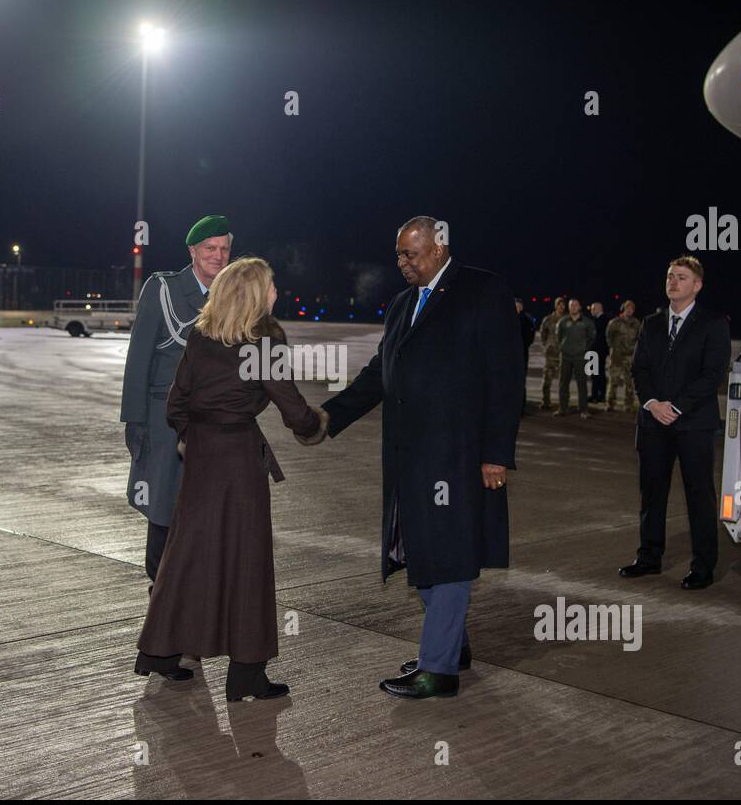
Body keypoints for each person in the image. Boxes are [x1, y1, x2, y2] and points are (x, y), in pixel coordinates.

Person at [324, 216, 522, 699]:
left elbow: (506, 377)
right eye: (398, 255)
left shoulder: (481, 291)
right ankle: (451, 645)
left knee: (448, 558)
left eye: (411, 253)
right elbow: (379, 374)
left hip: (459, 455)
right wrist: (328, 417)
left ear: (438, 249)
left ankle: (439, 670)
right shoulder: (400, 306)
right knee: (419, 553)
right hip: (411, 459)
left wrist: (496, 453)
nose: (402, 263)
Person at [134, 257, 329, 701]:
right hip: (239, 462)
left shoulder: (201, 338)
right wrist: (315, 426)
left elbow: (175, 403)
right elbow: (293, 407)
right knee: (247, 562)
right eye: (272, 285)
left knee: (185, 557)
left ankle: (162, 653)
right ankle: (246, 675)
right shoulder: (264, 343)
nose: (277, 291)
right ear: (256, 296)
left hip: (201, 460)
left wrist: (190, 439)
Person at [120, 216, 231, 592]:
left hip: (211, 427)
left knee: (204, 515)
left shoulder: (231, 295)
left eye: (224, 249)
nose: (217, 256)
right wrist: (134, 422)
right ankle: (162, 592)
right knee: (164, 510)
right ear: (193, 252)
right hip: (164, 422)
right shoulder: (163, 288)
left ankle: (189, 595)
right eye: (209, 249)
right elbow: (138, 359)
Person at [621, 256, 731, 590]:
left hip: (694, 424)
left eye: (681, 277)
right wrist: (653, 404)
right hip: (654, 423)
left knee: (699, 495)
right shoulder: (652, 323)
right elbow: (640, 369)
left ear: (697, 285)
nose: (673, 282)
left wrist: (677, 407)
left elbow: (713, 374)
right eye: (670, 276)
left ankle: (703, 566)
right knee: (652, 493)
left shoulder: (713, 323)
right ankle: (649, 557)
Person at [554, 298, 595, 418]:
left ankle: (583, 409)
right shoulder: (563, 321)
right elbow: (558, 337)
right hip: (565, 356)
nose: (573, 307)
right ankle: (562, 408)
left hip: (580, 357)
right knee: (563, 383)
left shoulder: (587, 322)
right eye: (571, 305)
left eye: (576, 305)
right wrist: (563, 348)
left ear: (580, 307)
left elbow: (591, 338)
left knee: (582, 383)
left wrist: (583, 348)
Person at [606, 299, 640, 411]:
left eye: (632, 308)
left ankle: (628, 404)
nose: (629, 310)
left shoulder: (636, 323)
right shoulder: (615, 323)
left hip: (630, 357)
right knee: (613, 381)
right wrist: (614, 348)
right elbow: (608, 337)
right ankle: (610, 403)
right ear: (623, 309)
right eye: (627, 308)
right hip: (616, 356)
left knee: (629, 382)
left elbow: (639, 339)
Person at [539, 296, 566, 411]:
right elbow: (543, 334)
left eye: (563, 305)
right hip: (551, 354)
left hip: (563, 354)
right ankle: (545, 401)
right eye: (559, 304)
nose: (561, 306)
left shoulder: (567, 320)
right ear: (555, 306)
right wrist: (547, 345)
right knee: (547, 380)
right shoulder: (548, 319)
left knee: (563, 381)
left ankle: (563, 403)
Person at [588, 301, 611, 406]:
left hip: (598, 351)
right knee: (595, 373)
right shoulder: (598, 320)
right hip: (595, 351)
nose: (591, 311)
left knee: (598, 373)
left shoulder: (603, 320)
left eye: (593, 309)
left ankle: (598, 395)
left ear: (599, 309)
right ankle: (596, 394)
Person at [515, 298, 535, 415]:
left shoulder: (526, 320)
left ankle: (520, 408)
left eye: (518, 306)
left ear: (521, 307)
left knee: (521, 383)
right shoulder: (506, 319)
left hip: (522, 355)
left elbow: (530, 338)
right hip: (508, 357)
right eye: (514, 306)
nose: (516, 309)